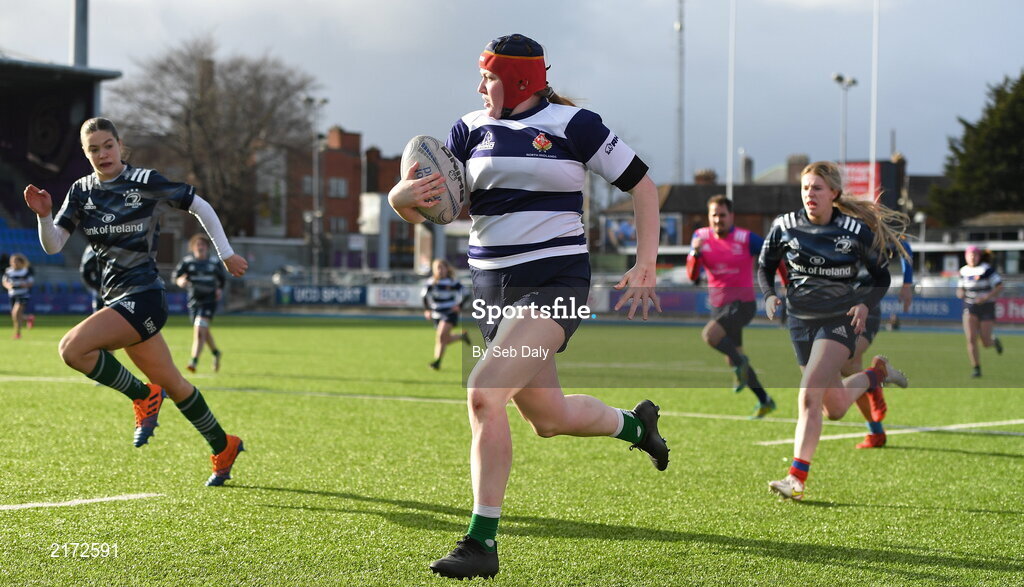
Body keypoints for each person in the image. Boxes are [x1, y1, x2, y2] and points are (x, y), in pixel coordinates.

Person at [388, 34, 668, 580]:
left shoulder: (576, 126)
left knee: (483, 392)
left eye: (489, 77)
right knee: (549, 417)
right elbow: (429, 203)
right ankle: (638, 427)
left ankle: (481, 542)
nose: (480, 86)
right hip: (493, 290)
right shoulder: (468, 129)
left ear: (519, 80)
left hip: (556, 282)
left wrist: (647, 263)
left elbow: (645, 188)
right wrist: (402, 198)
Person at [25, 117, 248, 486]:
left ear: (119, 144)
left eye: (107, 145)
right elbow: (54, 244)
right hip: (117, 300)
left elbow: (200, 205)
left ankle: (143, 396)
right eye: (93, 149)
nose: (102, 153)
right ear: (85, 153)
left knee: (71, 350)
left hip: (145, 296)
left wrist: (225, 254)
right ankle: (223, 446)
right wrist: (44, 216)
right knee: (176, 386)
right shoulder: (81, 191)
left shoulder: (145, 181)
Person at [757, 161, 910, 501]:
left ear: (834, 193)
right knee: (835, 407)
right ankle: (875, 376)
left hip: (839, 320)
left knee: (808, 394)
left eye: (817, 188)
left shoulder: (855, 232)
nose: (809, 194)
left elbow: (882, 276)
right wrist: (768, 295)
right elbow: (765, 266)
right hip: (799, 322)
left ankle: (796, 478)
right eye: (806, 188)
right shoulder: (784, 226)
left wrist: (865, 303)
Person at [686, 195, 776, 418]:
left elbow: (772, 255)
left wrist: (777, 283)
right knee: (733, 358)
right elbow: (692, 275)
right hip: (719, 306)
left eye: (722, 215)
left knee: (710, 336)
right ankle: (765, 400)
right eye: (714, 215)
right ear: (709, 217)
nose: (718, 219)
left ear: (731, 216)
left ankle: (742, 364)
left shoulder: (746, 238)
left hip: (742, 304)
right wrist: (695, 253)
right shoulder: (700, 237)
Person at [842, 238, 914, 449]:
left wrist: (907, 284)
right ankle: (876, 432)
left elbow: (905, 246)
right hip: (838, 308)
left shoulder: (868, 229)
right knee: (852, 371)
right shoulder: (833, 225)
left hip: (866, 307)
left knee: (846, 364)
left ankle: (877, 376)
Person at [175, 233, 227, 373]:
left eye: (203, 245)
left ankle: (194, 361)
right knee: (203, 330)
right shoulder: (187, 262)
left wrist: (219, 289)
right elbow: (177, 276)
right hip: (194, 300)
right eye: (198, 244)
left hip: (209, 300)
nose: (200, 247)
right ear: (192, 247)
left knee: (199, 330)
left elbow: (222, 278)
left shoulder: (214, 262)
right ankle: (216, 352)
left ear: (207, 247)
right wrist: (181, 281)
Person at [957, 245, 1004, 377]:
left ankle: (994, 342)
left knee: (985, 341)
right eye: (969, 255)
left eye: (975, 255)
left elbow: (999, 286)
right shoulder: (963, 271)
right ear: (966, 256)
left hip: (986, 306)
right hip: (970, 305)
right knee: (971, 338)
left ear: (979, 256)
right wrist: (960, 293)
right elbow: (960, 288)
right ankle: (976, 368)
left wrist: (986, 297)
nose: (972, 257)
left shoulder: (986, 270)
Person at [422, 258, 471, 370]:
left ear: (446, 268)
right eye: (437, 268)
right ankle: (461, 336)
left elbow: (467, 293)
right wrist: (427, 310)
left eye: (441, 267)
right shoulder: (431, 282)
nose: (439, 270)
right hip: (436, 313)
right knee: (444, 339)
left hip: (450, 313)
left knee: (440, 336)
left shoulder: (452, 282)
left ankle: (437, 362)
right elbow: (424, 296)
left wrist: (460, 305)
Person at [2, 253, 35, 339]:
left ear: (21, 262)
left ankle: (17, 333)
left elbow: (31, 282)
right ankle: (28, 318)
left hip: (23, 295)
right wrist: (9, 286)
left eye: (16, 262)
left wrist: (24, 285)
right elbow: (4, 282)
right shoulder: (8, 271)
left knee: (16, 313)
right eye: (12, 262)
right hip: (13, 295)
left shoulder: (25, 271)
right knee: (15, 315)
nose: (14, 264)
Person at [80, 245, 104, 313]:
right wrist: (97, 287)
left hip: (119, 291)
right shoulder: (92, 248)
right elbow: (85, 273)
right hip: (101, 292)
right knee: (100, 318)